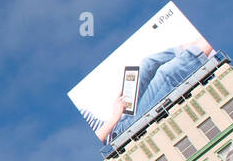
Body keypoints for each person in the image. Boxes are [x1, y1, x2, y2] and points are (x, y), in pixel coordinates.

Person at [81, 38, 214, 146]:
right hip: (121, 134)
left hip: (118, 121)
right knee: (167, 74)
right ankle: (197, 56)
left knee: (148, 64)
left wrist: (116, 111)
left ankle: (197, 53)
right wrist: (114, 117)